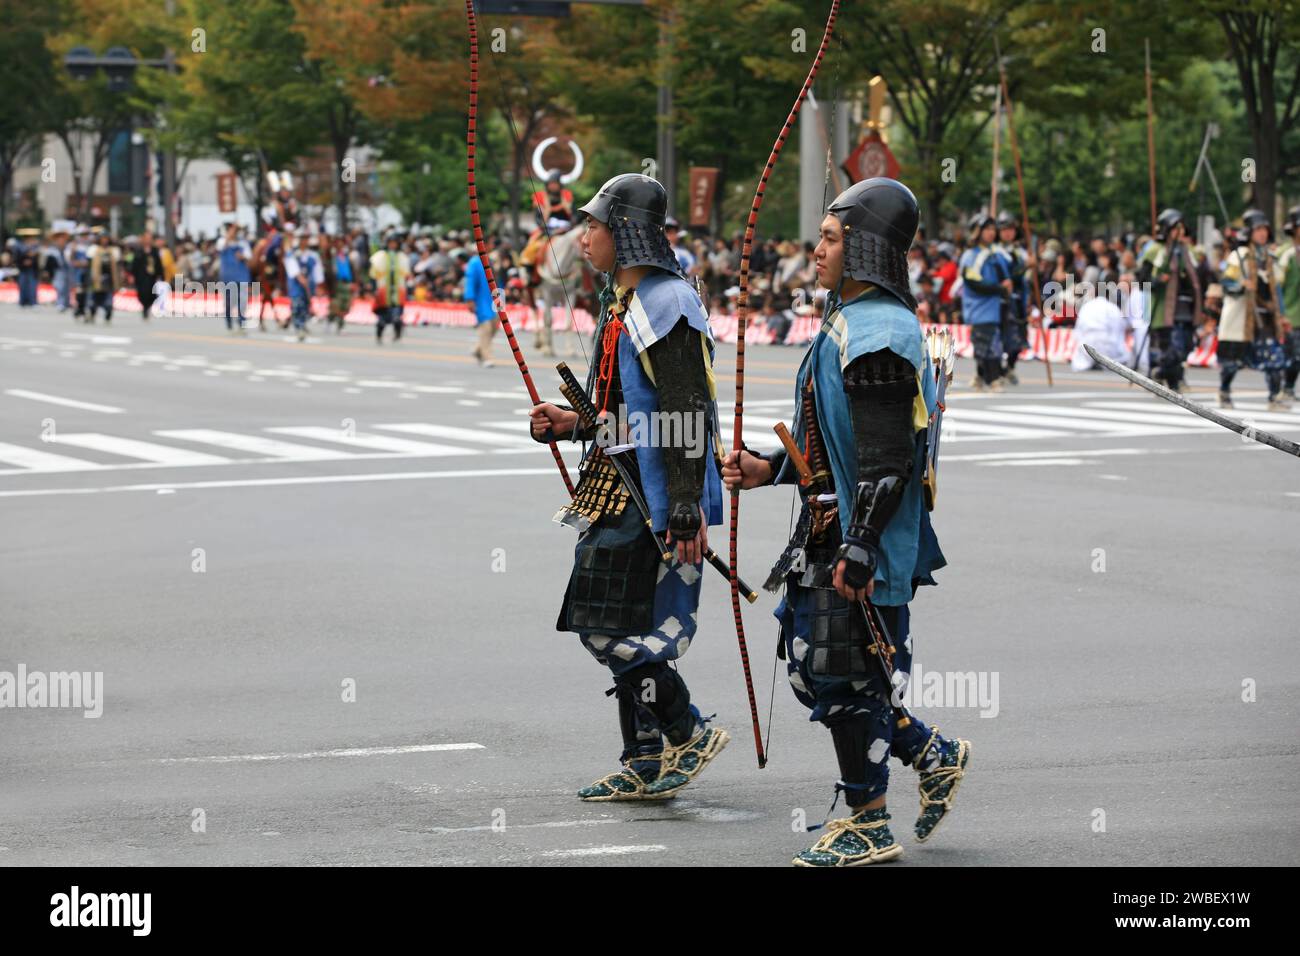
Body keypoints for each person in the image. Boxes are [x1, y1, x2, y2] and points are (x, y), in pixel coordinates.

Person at [722, 178, 969, 867]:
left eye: (830, 238)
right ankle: (929, 751)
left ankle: (869, 820)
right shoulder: (845, 317)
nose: (818, 250)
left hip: (867, 540)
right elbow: (831, 448)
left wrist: (860, 548)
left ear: (862, 246)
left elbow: (888, 461)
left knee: (847, 676)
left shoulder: (881, 332)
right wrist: (768, 468)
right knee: (817, 665)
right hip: (831, 529)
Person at [527, 173, 730, 803]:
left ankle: (686, 730)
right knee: (630, 623)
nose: (584, 236)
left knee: (603, 627)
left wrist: (685, 507)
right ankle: (642, 760)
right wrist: (575, 423)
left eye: (593, 225)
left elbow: (686, 409)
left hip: (659, 494)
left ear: (625, 232)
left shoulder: (668, 302)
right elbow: (629, 407)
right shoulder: (625, 301)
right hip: (622, 483)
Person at [1218, 208, 1288, 409]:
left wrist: (1281, 315)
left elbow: (1276, 290)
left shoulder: (1270, 257)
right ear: (1249, 232)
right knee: (1233, 361)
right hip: (1241, 317)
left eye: (1265, 229)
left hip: (1265, 316)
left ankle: (1274, 397)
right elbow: (1225, 283)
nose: (1262, 233)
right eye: (1258, 230)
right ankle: (1224, 391)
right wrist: (1241, 285)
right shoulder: (1238, 256)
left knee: (1274, 357)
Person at [1136, 208, 1201, 394]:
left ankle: (1166, 375)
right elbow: (1142, 281)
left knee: (1186, 346)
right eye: (1174, 228)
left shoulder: (1186, 251)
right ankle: (1169, 377)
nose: (1178, 232)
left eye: (1180, 228)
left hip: (1185, 305)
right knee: (1172, 348)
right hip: (1164, 307)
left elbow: (1197, 275)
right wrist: (1158, 280)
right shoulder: (1155, 251)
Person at [960, 213, 1012, 391]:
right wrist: (999, 287)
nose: (991, 232)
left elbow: (1009, 273)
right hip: (979, 307)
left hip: (996, 306)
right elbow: (973, 281)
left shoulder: (996, 253)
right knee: (987, 344)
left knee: (992, 343)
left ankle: (982, 376)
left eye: (992, 229)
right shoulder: (970, 256)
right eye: (986, 229)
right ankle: (992, 379)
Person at [994, 211, 1030, 384]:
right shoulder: (995, 252)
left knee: (1019, 337)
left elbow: (1023, 280)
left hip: (1019, 299)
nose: (1008, 233)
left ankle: (1009, 366)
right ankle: (998, 370)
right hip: (1001, 300)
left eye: (1011, 229)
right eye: (1004, 229)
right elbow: (1009, 275)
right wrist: (1023, 268)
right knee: (1001, 337)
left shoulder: (1020, 251)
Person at [369, 229, 410, 345]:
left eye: (394, 243)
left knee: (397, 317)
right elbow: (373, 275)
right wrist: (373, 289)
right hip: (383, 291)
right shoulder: (379, 257)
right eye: (390, 242)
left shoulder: (402, 257)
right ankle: (379, 336)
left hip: (397, 292)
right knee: (381, 319)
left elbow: (406, 276)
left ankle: (397, 333)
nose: (392, 245)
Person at [283, 232, 323, 342]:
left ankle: (303, 324)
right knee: (296, 306)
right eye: (302, 238)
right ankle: (298, 327)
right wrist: (301, 278)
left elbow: (317, 271)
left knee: (305, 307)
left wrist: (318, 285)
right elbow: (293, 269)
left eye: (306, 239)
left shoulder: (313, 256)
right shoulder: (292, 254)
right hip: (296, 285)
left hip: (309, 285)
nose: (304, 241)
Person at [1278, 205, 1300, 400]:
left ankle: (1288, 387)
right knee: (1293, 355)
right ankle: (1286, 387)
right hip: (1289, 313)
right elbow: (1276, 285)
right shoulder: (1286, 253)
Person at [461, 249, 497, 365]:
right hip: (481, 301)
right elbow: (470, 282)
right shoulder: (474, 262)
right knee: (485, 328)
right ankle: (487, 357)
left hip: (495, 299)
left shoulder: (493, 260)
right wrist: (469, 298)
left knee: (494, 327)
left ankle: (478, 349)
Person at [217, 222, 252, 333]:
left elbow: (249, 256)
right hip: (227, 276)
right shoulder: (222, 241)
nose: (235, 232)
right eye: (233, 230)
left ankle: (242, 323)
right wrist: (230, 234)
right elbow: (221, 248)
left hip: (241, 276)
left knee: (242, 301)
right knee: (229, 302)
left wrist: (242, 256)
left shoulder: (243, 243)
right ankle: (229, 322)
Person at [86, 231, 121, 324]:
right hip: (96, 277)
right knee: (94, 297)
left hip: (109, 277)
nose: (104, 241)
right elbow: (89, 264)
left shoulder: (113, 250)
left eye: (106, 239)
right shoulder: (94, 250)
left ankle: (108, 314)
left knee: (108, 298)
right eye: (102, 239)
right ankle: (92, 313)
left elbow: (117, 265)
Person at [129, 232, 164, 319]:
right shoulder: (139, 251)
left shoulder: (154, 250)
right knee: (142, 293)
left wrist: (160, 275)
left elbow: (159, 263)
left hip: (152, 276)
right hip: (141, 276)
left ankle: (147, 306)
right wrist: (132, 275)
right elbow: (134, 264)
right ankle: (145, 306)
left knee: (152, 293)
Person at [15, 228, 41, 306]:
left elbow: (36, 255)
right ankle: (22, 301)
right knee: (22, 285)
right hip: (23, 268)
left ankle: (32, 301)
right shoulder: (19, 245)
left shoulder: (36, 246)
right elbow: (18, 256)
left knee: (32, 285)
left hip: (33, 269)